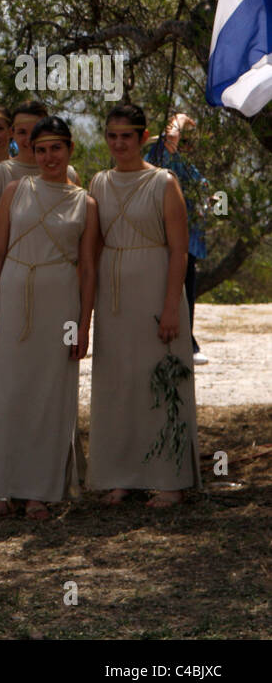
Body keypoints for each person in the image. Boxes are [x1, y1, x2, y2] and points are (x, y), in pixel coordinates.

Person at [0, 116, 98, 524]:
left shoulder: (86, 202)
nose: (48, 157)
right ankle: (0, 492)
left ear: (70, 151)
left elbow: (87, 268)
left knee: (50, 394)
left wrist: (83, 324)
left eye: (56, 148)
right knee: (10, 391)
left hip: (60, 299)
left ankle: (38, 494)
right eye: (41, 149)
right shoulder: (15, 189)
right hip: (14, 291)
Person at [88, 105, 201, 506]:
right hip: (115, 295)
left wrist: (172, 307)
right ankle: (125, 476)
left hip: (156, 289)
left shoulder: (164, 182)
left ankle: (170, 479)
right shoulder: (99, 183)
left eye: (127, 136)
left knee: (161, 379)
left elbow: (179, 251)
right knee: (120, 384)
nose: (119, 144)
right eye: (112, 136)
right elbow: (95, 244)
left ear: (142, 137)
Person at [0, 100, 79, 344]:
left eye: (34, 132)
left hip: (57, 287)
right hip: (9, 288)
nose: (29, 139)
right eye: (21, 132)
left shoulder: (69, 175)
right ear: (12, 133)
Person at [146, 114, 211, 364]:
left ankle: (188, 342)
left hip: (188, 238)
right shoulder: (156, 158)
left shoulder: (185, 163)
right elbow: (171, 136)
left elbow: (202, 187)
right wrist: (180, 119)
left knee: (186, 293)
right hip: (161, 239)